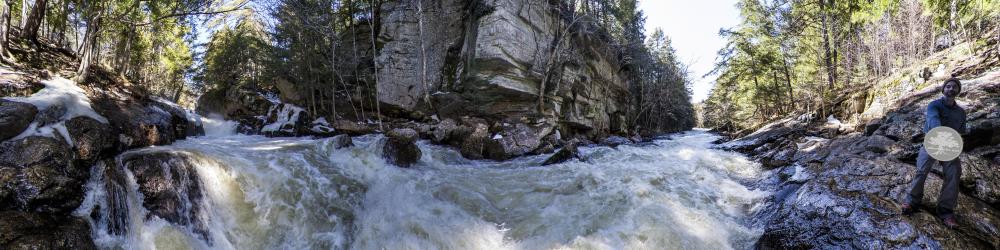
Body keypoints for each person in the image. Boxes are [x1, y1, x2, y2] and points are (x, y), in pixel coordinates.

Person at [901, 77, 967, 229]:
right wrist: (940, 134)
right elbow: (933, 120)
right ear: (943, 89)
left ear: (958, 91)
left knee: (954, 174)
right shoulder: (934, 105)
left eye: (954, 87)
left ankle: (945, 212)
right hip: (931, 142)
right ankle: (912, 202)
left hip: (950, 146)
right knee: (921, 171)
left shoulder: (961, 113)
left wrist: (956, 147)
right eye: (948, 86)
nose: (951, 89)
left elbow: (960, 133)